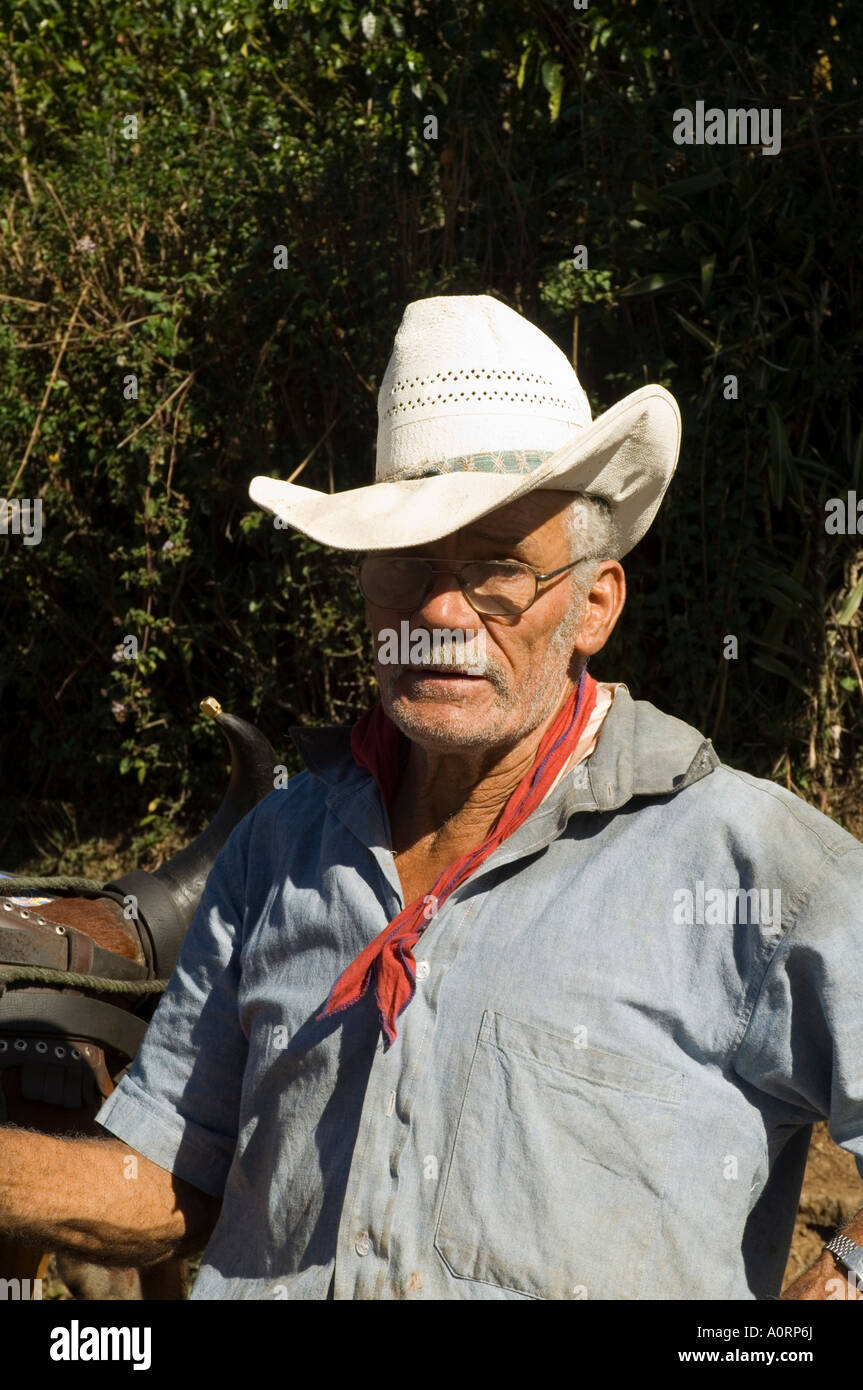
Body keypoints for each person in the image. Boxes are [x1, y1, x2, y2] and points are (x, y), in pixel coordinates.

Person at [2, 295, 862, 1301]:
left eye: (497, 568)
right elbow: (171, 1179)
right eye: (406, 563)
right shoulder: (277, 850)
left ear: (593, 604)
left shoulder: (746, 864)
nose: (440, 614)